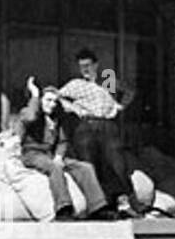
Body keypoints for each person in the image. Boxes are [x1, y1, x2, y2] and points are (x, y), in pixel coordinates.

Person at [19, 77, 111, 221]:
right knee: (55, 168)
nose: (52, 104)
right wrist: (35, 96)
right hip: (33, 154)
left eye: (55, 101)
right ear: (41, 101)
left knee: (85, 167)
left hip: (50, 154)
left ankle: (98, 207)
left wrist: (59, 156)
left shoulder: (56, 119)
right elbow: (30, 117)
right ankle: (63, 209)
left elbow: (63, 140)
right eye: (48, 100)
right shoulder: (30, 112)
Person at [60, 48, 139, 215]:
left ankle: (124, 202)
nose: (85, 70)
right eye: (82, 67)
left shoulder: (106, 79)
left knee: (116, 162)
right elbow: (58, 96)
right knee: (90, 163)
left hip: (107, 124)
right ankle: (99, 205)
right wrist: (73, 108)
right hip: (86, 125)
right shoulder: (76, 84)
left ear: (96, 65)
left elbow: (129, 91)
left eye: (88, 65)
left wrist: (120, 106)